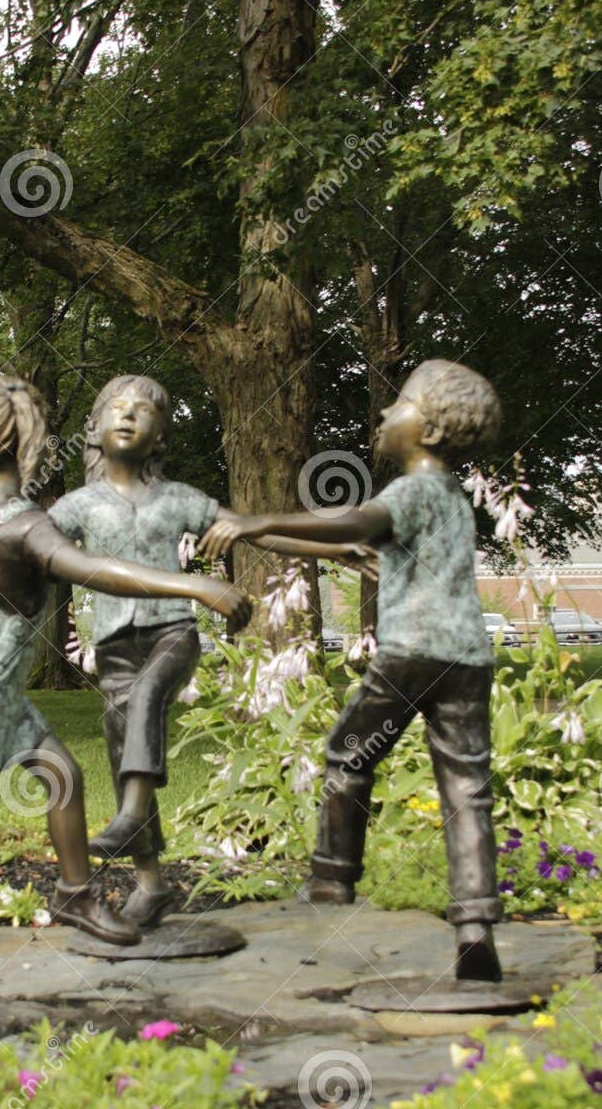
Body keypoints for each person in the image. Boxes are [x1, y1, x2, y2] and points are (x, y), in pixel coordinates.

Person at [0, 372, 250, 1017]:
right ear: (25, 443)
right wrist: (195, 588)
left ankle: (75, 893)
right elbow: (98, 570)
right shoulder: (23, 525)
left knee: (63, 775)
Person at [200, 359, 505, 984]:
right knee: (466, 789)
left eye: (399, 405)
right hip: (466, 659)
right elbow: (345, 543)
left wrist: (263, 519)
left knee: (348, 752)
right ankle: (475, 924)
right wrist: (263, 534)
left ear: (430, 430)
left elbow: (353, 522)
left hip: (411, 654)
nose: (386, 415)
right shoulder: (450, 502)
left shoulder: (412, 490)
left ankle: (331, 880)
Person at [50, 374, 369, 928]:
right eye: (115, 409)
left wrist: (336, 546)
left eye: (143, 411)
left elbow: (254, 532)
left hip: (171, 632)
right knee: (125, 752)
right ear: (95, 432)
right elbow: (33, 545)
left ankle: (127, 817)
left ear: (161, 439)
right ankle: (151, 887)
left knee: (149, 699)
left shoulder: (180, 500)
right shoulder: (77, 506)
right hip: (113, 644)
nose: (128, 415)